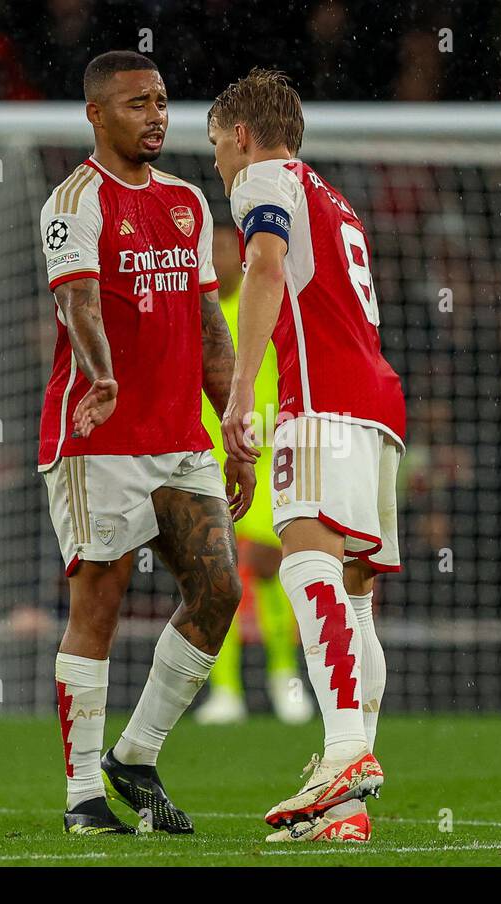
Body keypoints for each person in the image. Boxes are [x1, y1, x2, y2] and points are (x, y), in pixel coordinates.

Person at [38, 51, 252, 837]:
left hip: (179, 439)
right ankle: (81, 799)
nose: (156, 116)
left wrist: (232, 425)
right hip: (99, 438)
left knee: (220, 591)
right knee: (99, 603)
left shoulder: (187, 202)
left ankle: (134, 756)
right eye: (137, 104)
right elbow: (80, 305)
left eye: (161, 101)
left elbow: (208, 323)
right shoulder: (74, 203)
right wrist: (101, 376)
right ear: (97, 115)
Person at [209, 68, 407, 843]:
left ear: (242, 136)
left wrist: (239, 393)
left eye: (217, 144)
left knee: (301, 561)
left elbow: (262, 267)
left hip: (321, 400)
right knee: (355, 595)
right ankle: (345, 808)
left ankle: (348, 752)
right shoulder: (335, 198)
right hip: (378, 402)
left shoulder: (263, 180)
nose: (218, 161)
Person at [196, 225, 313, 726]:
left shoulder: (261, 303)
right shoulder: (197, 312)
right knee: (215, 576)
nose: (221, 258)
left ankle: (284, 679)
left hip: (263, 455)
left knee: (268, 570)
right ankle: (225, 691)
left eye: (229, 249)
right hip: (206, 459)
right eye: (213, 250)